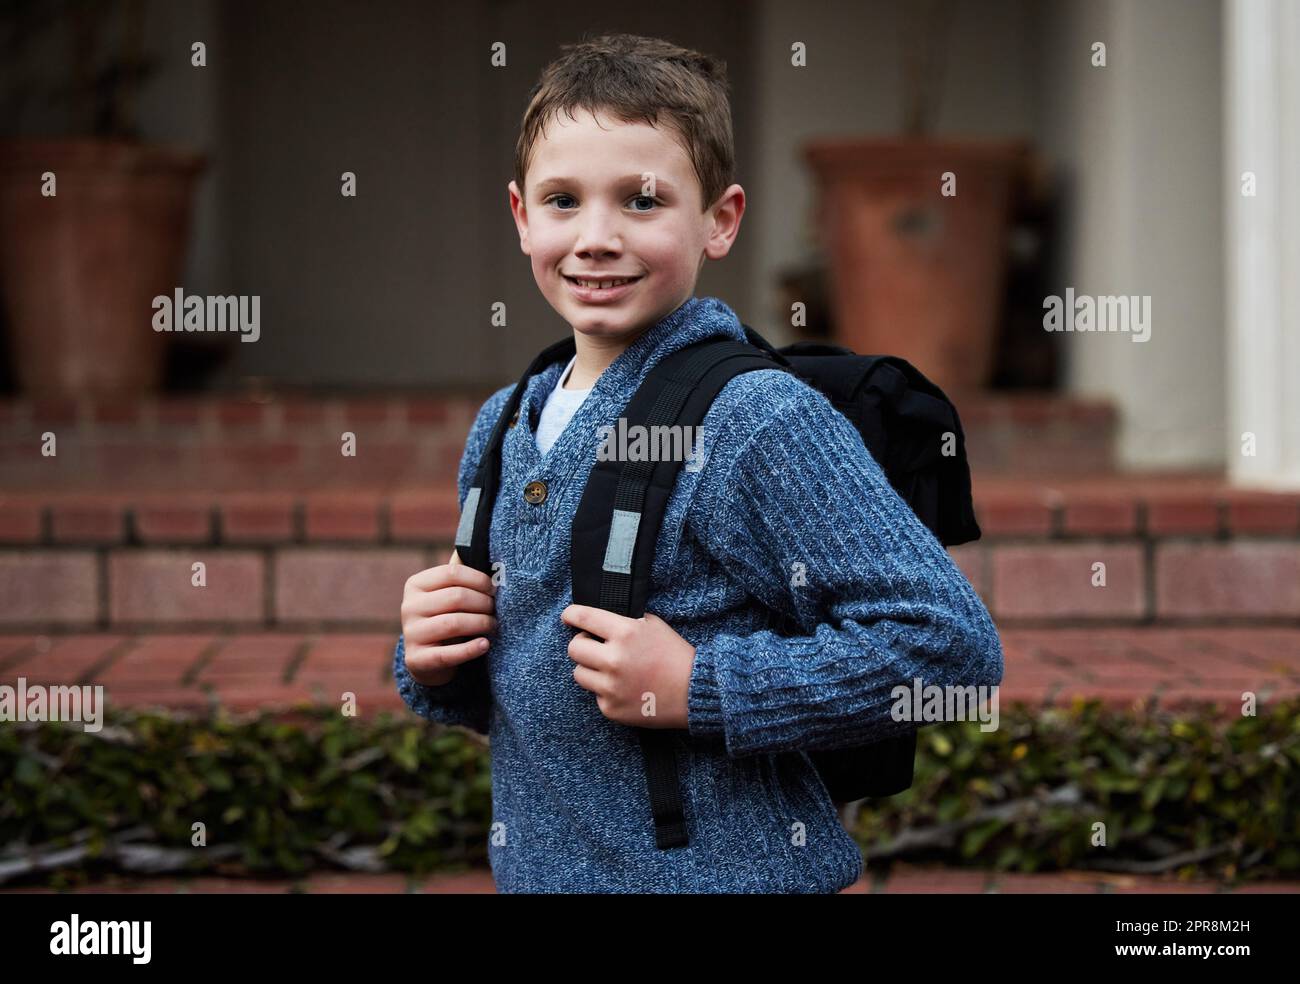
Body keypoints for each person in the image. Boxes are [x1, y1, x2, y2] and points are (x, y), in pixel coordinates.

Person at [394, 32, 1003, 893]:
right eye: (562, 200)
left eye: (642, 202)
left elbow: (949, 652)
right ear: (522, 216)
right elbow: (516, 690)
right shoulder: (505, 423)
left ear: (720, 219)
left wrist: (700, 684)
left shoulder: (755, 420)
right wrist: (432, 657)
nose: (595, 237)